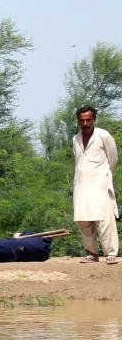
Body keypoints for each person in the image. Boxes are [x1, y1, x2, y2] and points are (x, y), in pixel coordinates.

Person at [72, 105, 119, 264]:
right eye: (82, 120)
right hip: (81, 184)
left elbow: (113, 159)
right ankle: (92, 253)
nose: (85, 123)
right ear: (78, 121)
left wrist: (104, 176)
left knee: (103, 219)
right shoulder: (76, 139)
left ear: (94, 120)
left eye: (88, 120)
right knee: (83, 219)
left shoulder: (103, 135)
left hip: (100, 183)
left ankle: (111, 253)